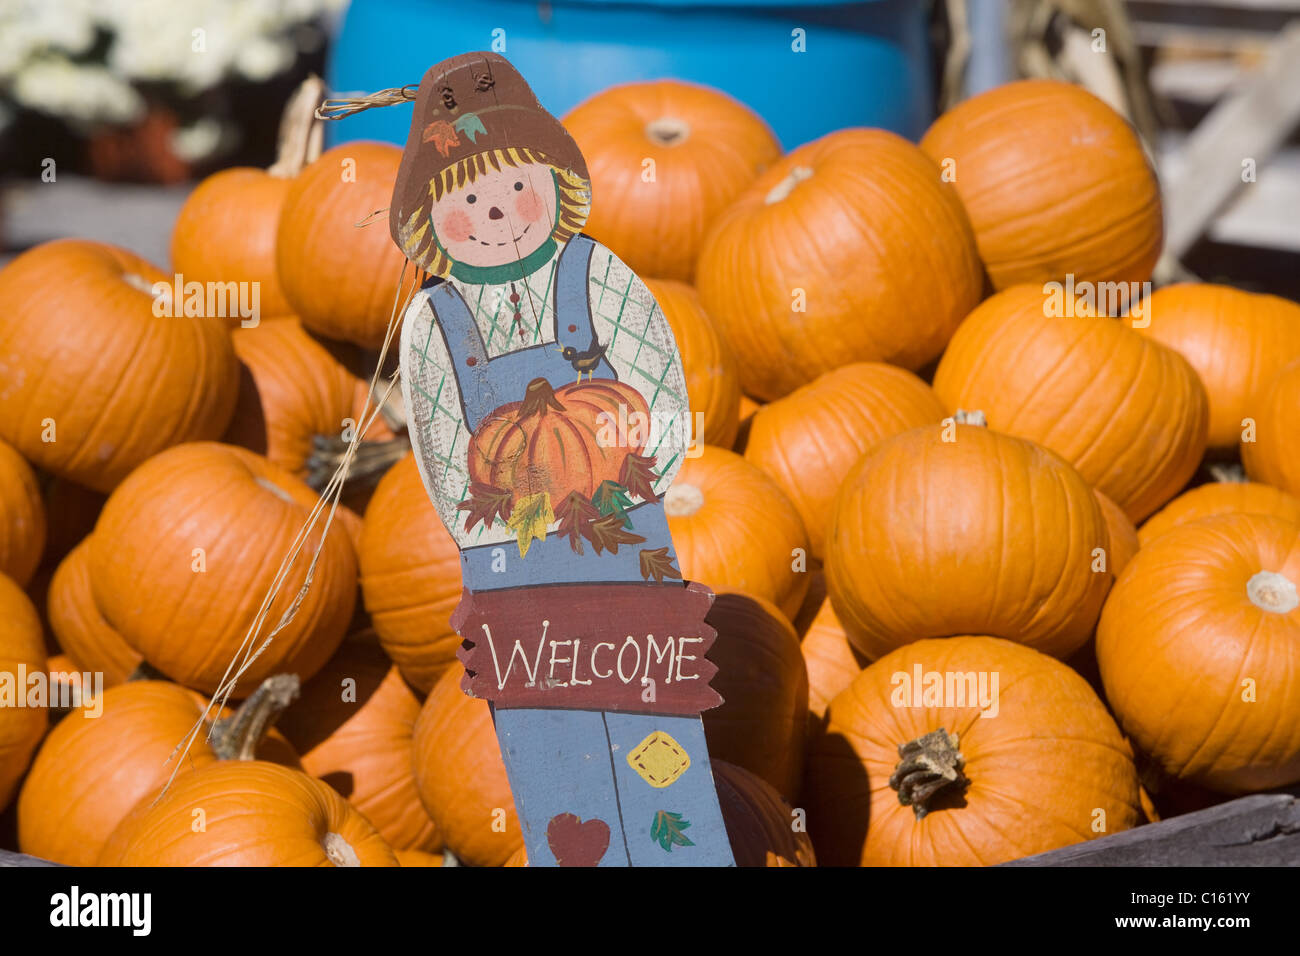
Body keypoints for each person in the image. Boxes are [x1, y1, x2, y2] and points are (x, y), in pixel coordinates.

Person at [391, 51, 733, 866]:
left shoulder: (597, 273)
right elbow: (444, 449)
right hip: (510, 563)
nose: (499, 211)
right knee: (552, 741)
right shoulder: (434, 324)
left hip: (625, 536)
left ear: (554, 184)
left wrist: (646, 480)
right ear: (430, 220)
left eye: (515, 187)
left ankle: (676, 851)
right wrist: (488, 542)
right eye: (468, 201)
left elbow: (658, 387)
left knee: (653, 723)